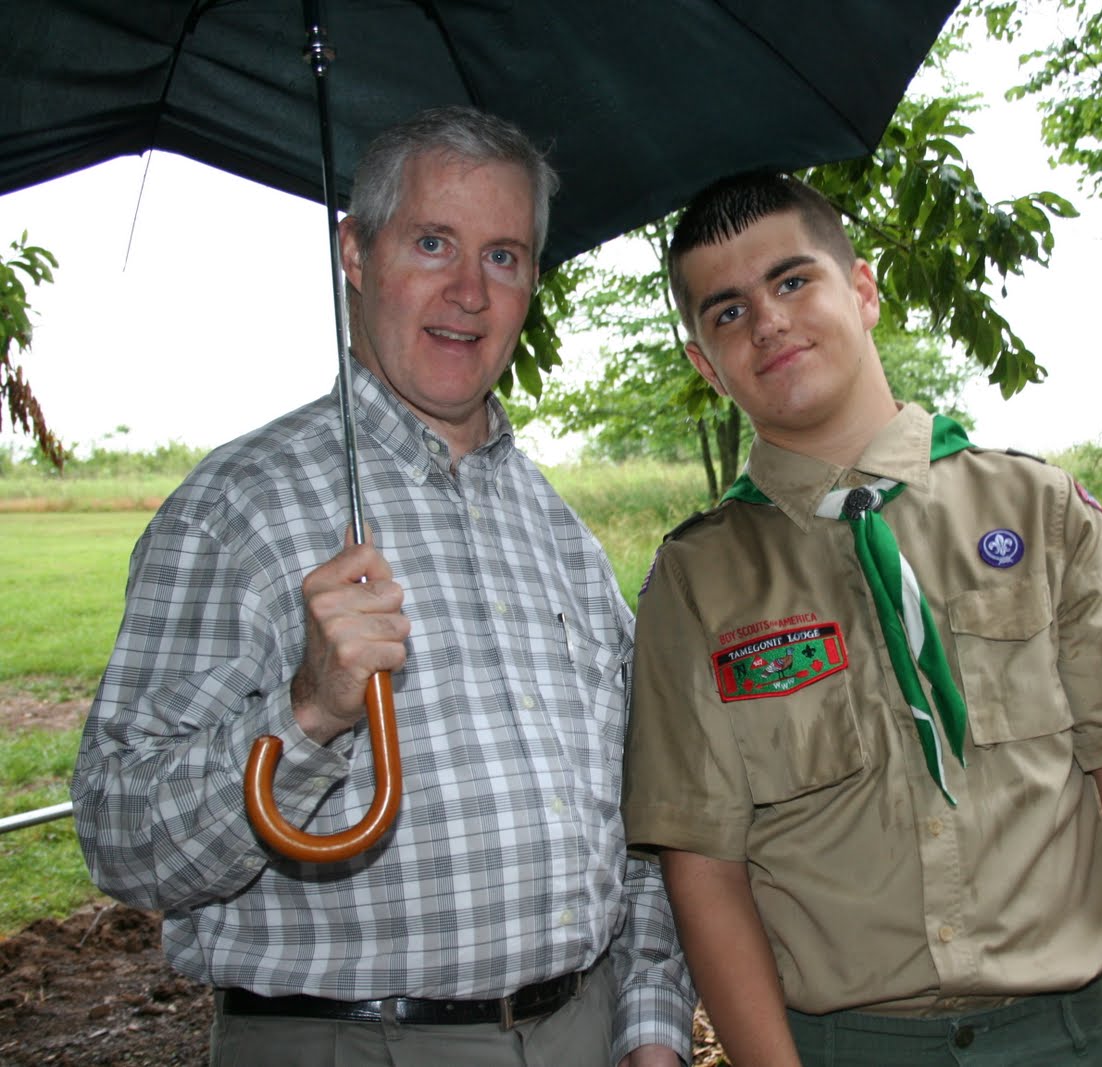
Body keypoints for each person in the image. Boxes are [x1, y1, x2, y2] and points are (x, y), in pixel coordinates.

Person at [72, 106, 692, 1067]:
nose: (469, 293)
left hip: (582, 1030)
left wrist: (651, 1028)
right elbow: (122, 839)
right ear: (355, 254)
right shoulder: (235, 510)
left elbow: (641, 816)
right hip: (351, 1042)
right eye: (432, 242)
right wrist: (308, 713)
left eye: (503, 257)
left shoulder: (561, 533)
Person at [621, 171, 1102, 1066]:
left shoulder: (1040, 512)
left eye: (793, 281)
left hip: (1064, 1036)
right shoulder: (696, 582)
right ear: (707, 365)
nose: (769, 322)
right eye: (729, 312)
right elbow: (705, 869)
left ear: (863, 290)